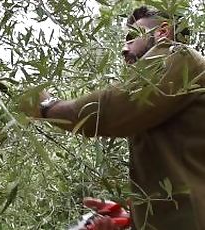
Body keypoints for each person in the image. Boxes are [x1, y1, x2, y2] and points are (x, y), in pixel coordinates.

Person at [20, 6, 205, 230]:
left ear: (163, 32)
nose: (123, 50)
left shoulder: (181, 57)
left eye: (131, 38)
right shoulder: (166, 99)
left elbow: (112, 109)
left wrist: (48, 107)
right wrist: (130, 219)